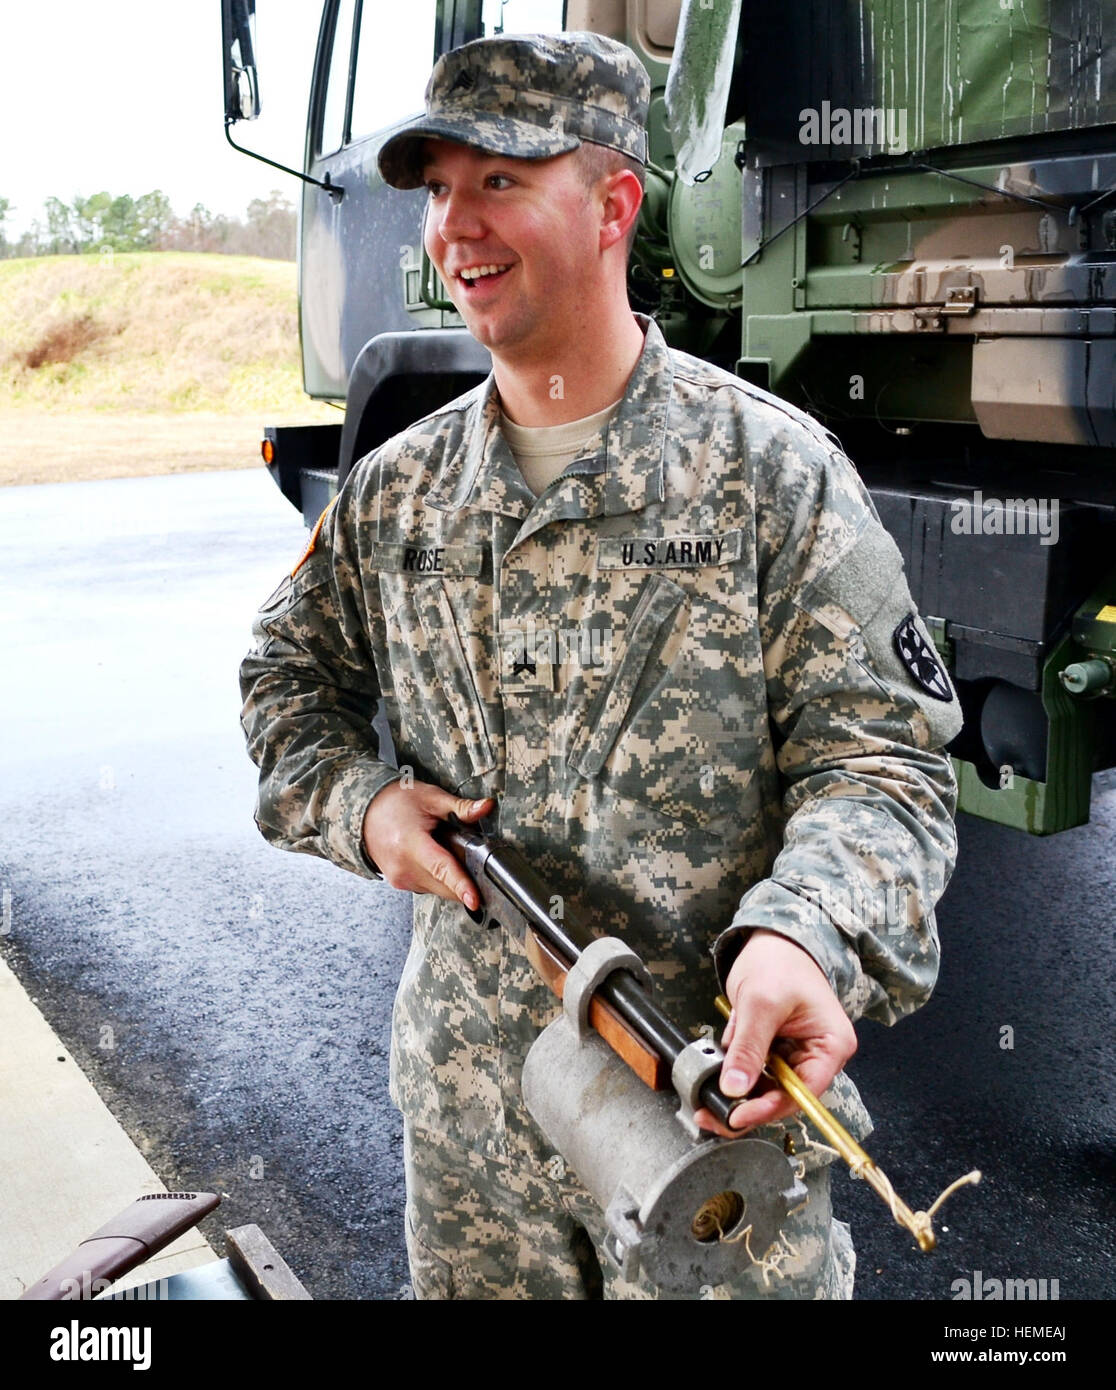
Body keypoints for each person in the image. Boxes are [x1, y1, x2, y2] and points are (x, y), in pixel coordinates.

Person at [239, 30, 963, 1300]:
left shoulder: (770, 478)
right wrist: (364, 806)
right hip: (474, 1149)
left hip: (710, 1156)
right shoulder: (397, 492)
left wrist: (809, 931)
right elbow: (284, 681)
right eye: (439, 190)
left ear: (617, 202)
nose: (455, 227)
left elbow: (885, 761)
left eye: (501, 181)